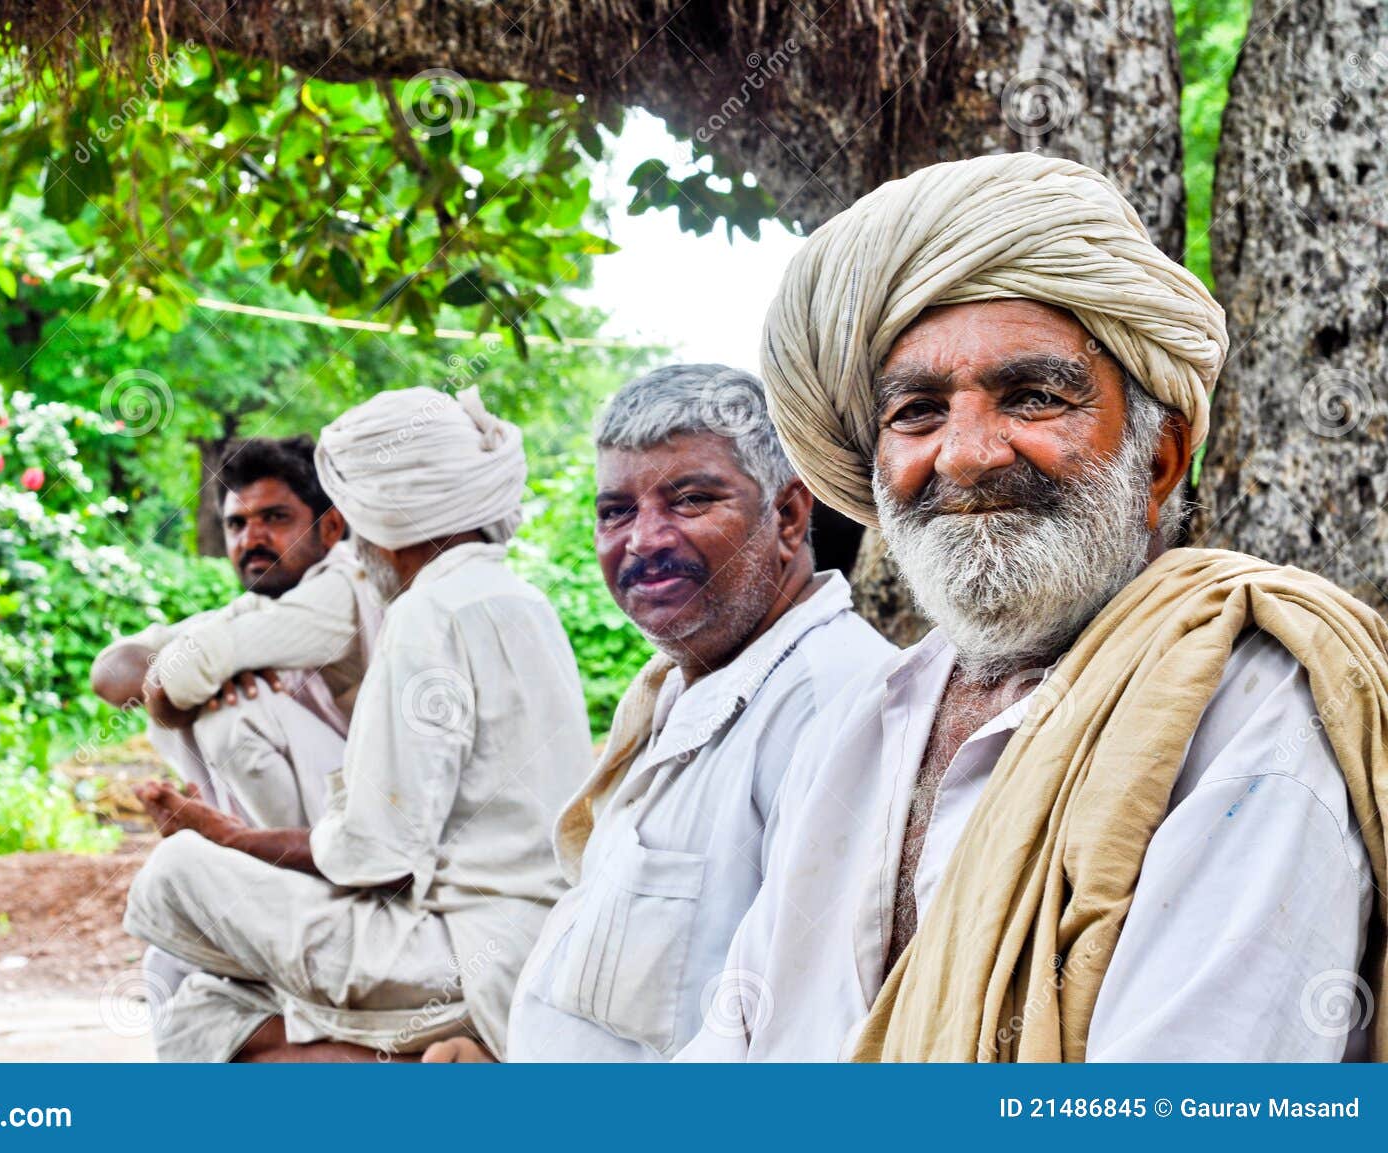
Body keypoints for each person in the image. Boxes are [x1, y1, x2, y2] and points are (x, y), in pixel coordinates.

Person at [681, 152, 1388, 1062]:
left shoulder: (1252, 712)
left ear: (1160, 460)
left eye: (1034, 396)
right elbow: (730, 1044)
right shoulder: (869, 716)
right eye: (917, 411)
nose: (967, 453)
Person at [422, 365, 894, 1063]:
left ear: (789, 516)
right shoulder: (688, 680)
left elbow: (795, 1049)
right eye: (615, 510)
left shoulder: (833, 705)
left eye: (691, 499)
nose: (642, 539)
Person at [123, 386, 594, 1062]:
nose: (349, 531)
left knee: (176, 871)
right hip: (538, 943)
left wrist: (231, 838)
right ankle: (421, 1052)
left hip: (458, 954)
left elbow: (378, 854)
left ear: (386, 512)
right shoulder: (523, 599)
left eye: (352, 507)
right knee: (207, 1010)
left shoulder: (425, 613)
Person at [90, 436, 380, 1002]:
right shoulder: (247, 613)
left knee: (236, 711)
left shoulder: (344, 591)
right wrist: (188, 676)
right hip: (269, 846)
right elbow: (112, 672)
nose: (252, 538)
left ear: (329, 529)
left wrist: (181, 692)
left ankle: (289, 881)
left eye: (275, 518)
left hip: (360, 845)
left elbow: (194, 667)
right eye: (236, 524)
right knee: (164, 969)